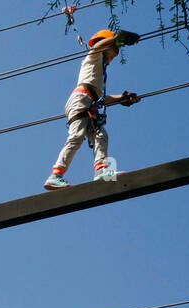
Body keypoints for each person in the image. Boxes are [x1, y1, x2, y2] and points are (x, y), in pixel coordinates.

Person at [44, 28, 141, 190]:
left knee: (100, 135)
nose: (116, 52)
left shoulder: (101, 70)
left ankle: (102, 171)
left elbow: (101, 98)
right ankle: (55, 175)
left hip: (89, 101)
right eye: (115, 48)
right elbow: (96, 47)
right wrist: (118, 38)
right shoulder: (94, 57)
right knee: (76, 136)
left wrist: (122, 97)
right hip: (81, 99)